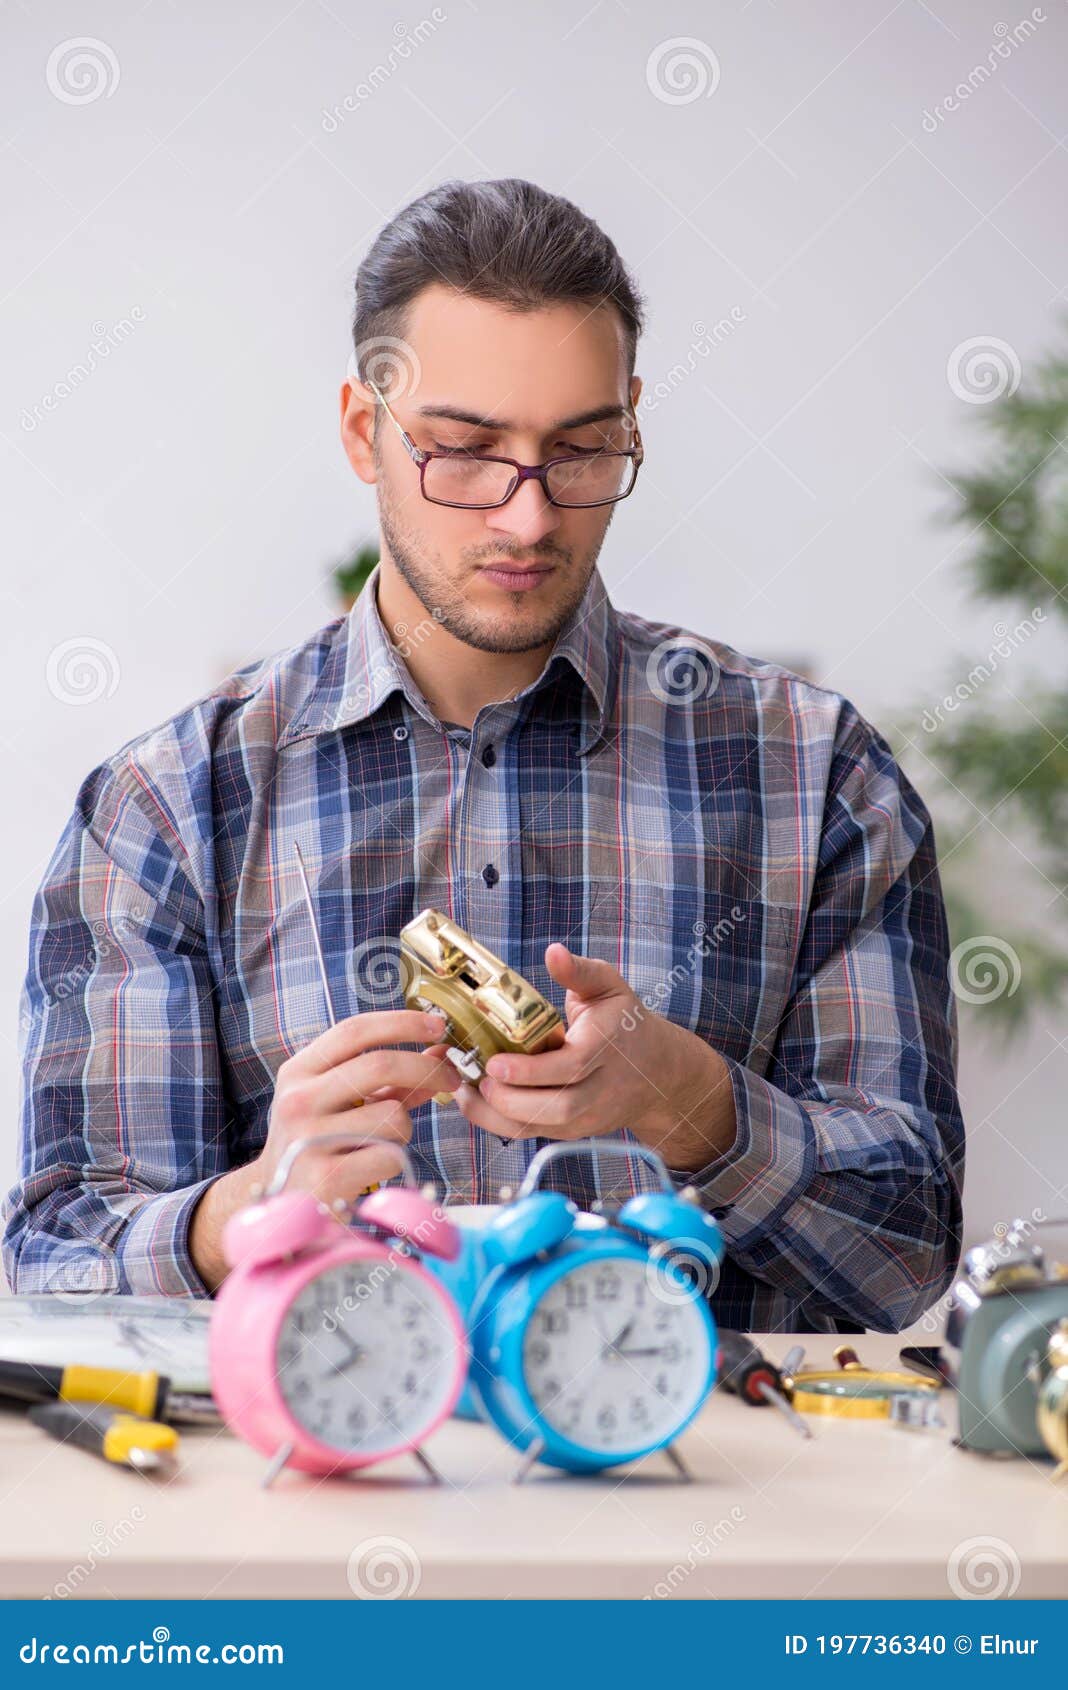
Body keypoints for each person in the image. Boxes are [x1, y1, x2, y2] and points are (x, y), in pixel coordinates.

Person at [3, 178, 964, 1331]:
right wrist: (248, 1207)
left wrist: (696, 1106)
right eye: (463, 451)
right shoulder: (165, 807)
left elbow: (909, 1253)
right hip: (306, 1497)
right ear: (367, 430)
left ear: (633, 424)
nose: (527, 517)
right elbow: (56, 1273)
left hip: (709, 1500)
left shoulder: (816, 775)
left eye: (580, 450)